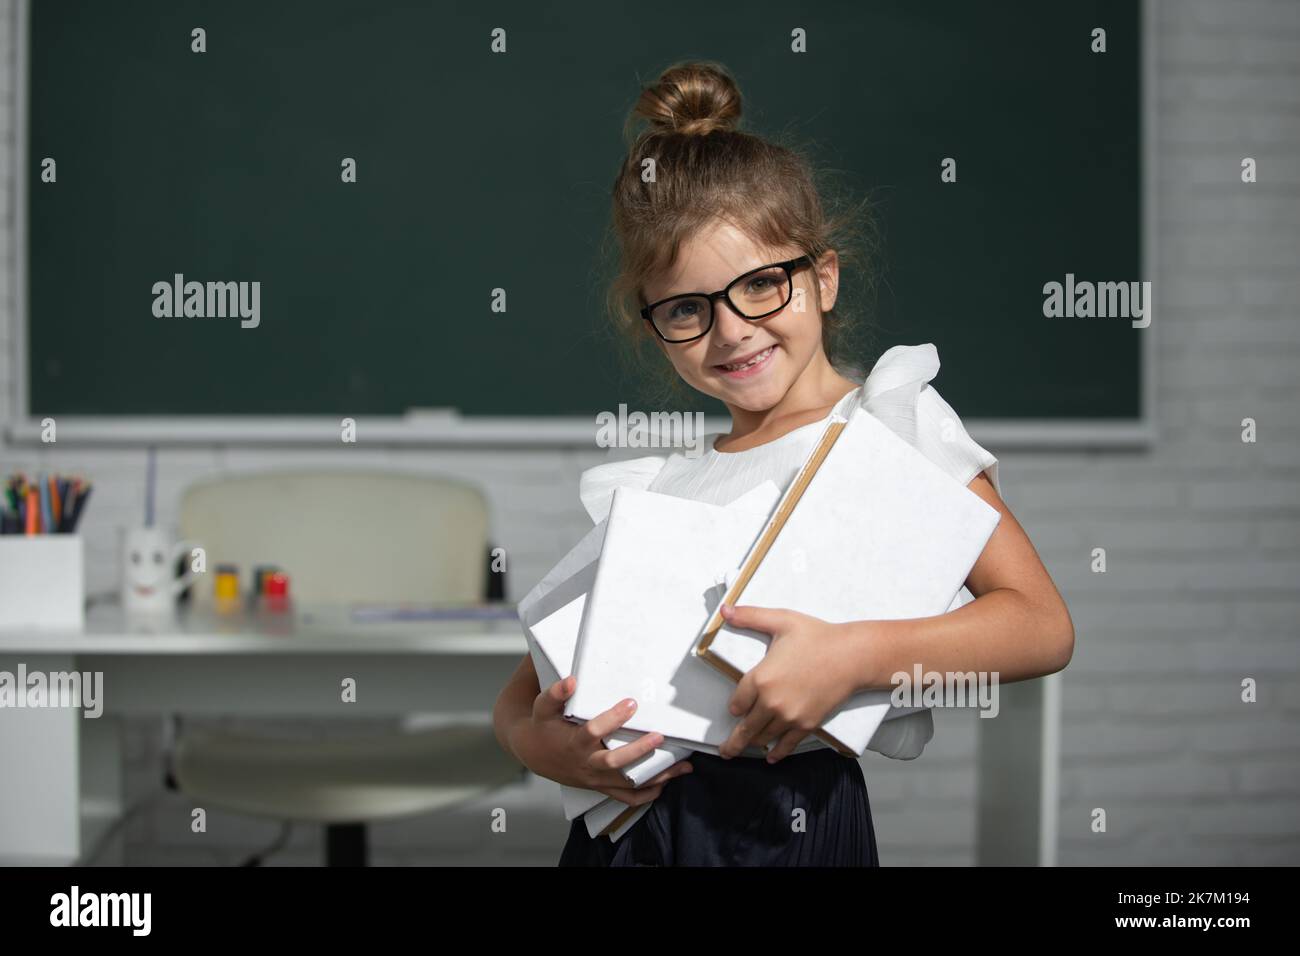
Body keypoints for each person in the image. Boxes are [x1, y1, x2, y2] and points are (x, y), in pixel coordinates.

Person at [492, 60, 1074, 866]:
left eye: (761, 286)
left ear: (822, 276)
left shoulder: (888, 425)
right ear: (653, 325)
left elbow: (1040, 626)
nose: (731, 332)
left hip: (784, 827)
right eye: (688, 309)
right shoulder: (665, 486)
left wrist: (853, 656)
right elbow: (520, 698)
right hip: (630, 834)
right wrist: (539, 747)